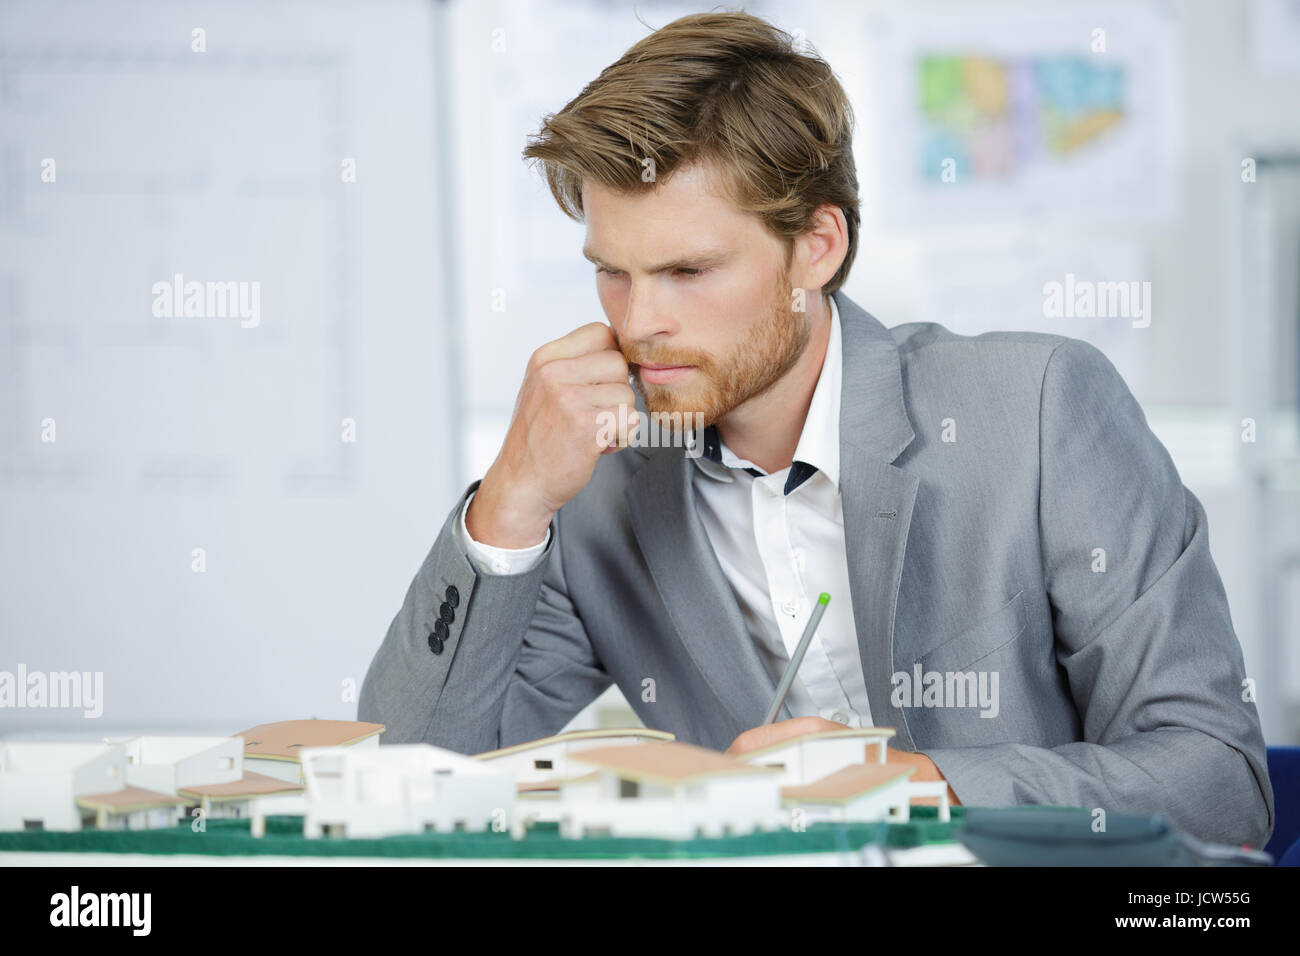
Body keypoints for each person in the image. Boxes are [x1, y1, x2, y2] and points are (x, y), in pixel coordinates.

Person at [359, 11, 1272, 846]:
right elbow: (402, 789)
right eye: (613, 273)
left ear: (817, 249)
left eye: (688, 270)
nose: (637, 325)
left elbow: (1218, 787)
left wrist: (918, 787)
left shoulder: (1038, 411)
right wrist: (509, 505)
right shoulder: (599, 484)